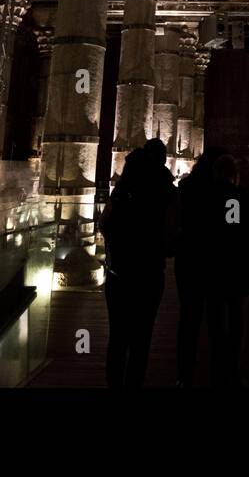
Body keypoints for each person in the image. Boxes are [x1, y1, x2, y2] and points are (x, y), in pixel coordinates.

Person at [99, 139, 177, 388]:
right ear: (163, 159)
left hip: (119, 272)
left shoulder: (122, 188)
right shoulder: (167, 189)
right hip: (149, 272)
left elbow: (104, 224)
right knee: (141, 338)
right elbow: (171, 233)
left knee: (118, 336)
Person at [175, 147, 249, 387]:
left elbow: (181, 226)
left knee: (189, 321)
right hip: (223, 267)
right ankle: (224, 373)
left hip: (190, 265)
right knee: (220, 322)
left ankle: (184, 374)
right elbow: (236, 229)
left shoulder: (187, 190)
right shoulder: (233, 197)